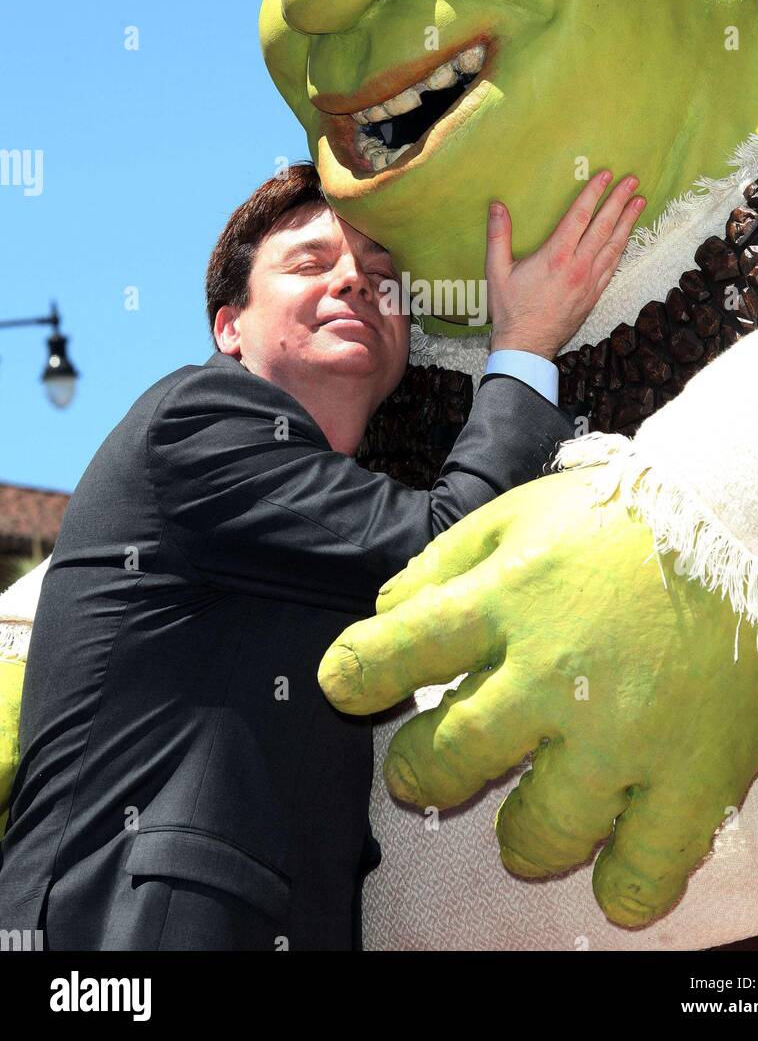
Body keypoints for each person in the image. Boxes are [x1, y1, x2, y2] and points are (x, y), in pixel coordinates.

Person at [0, 160, 643, 952]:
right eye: (310, 262)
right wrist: (525, 344)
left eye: (383, 275)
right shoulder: (198, 417)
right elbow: (445, 553)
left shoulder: (326, 507)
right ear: (228, 326)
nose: (354, 282)